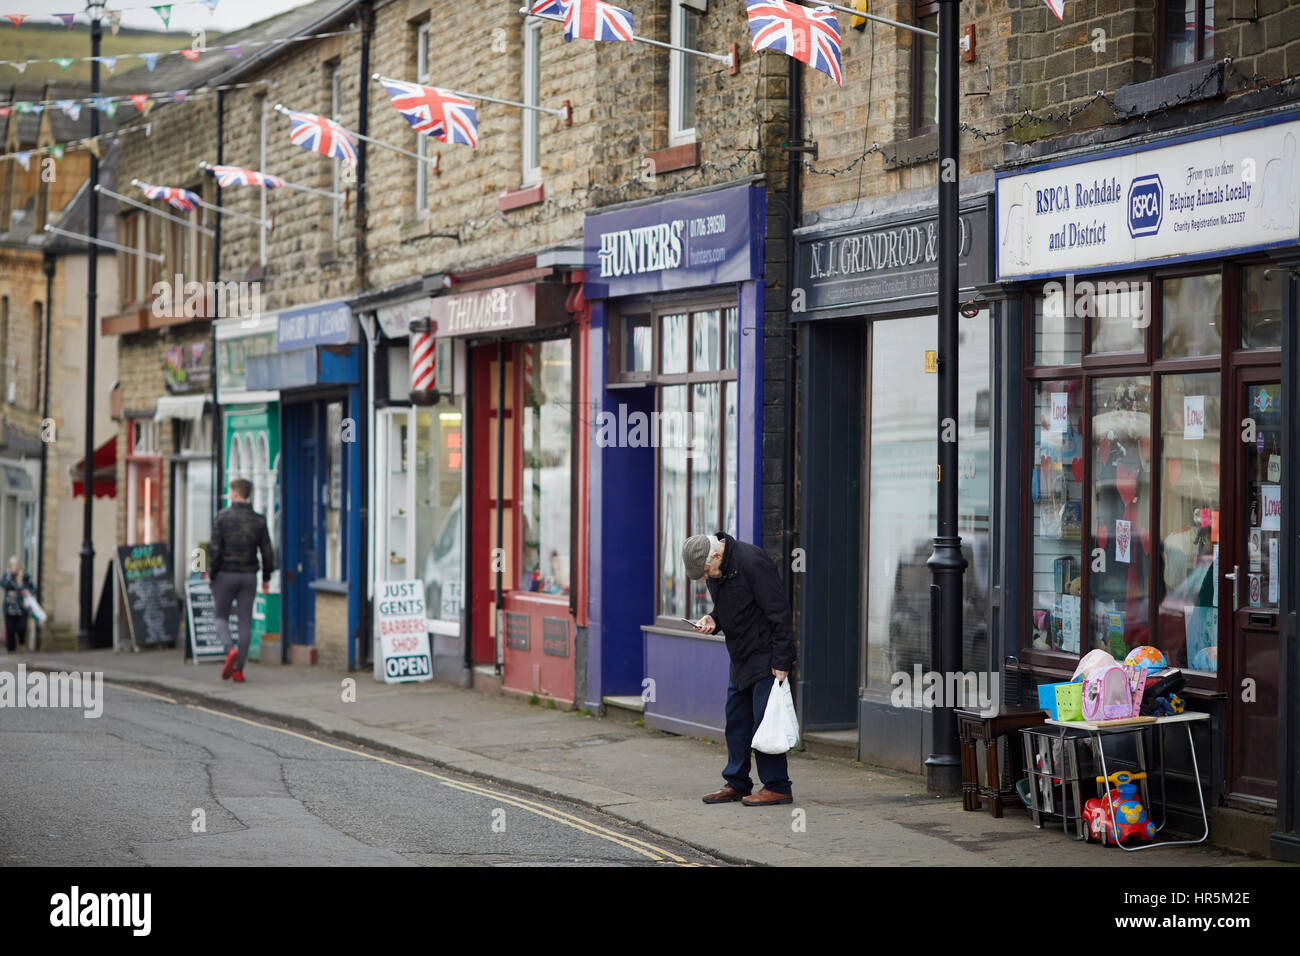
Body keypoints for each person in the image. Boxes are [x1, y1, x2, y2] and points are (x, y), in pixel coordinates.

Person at [682, 531, 797, 807]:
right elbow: (729, 607)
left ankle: (778, 786)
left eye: (707, 571)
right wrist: (713, 619)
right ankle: (737, 782)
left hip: (766, 656)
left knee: (764, 721)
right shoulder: (718, 569)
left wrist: (782, 661)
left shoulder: (752, 562)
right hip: (741, 656)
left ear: (718, 555)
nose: (707, 577)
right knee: (736, 722)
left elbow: (779, 612)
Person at [209, 478, 275, 682]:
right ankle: (238, 671)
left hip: (226, 574)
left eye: (231, 492)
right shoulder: (259, 520)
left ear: (236, 493)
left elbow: (214, 549)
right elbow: (267, 552)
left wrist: (211, 574)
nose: (230, 495)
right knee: (245, 622)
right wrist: (266, 578)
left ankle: (230, 650)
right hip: (248, 576)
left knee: (220, 617)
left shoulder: (222, 517)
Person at [1, 556, 36, 653]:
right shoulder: (7, 575)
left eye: (15, 565)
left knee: (22, 626)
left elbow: (33, 588)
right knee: (10, 629)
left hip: (22, 606)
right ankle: (11, 649)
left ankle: (21, 643)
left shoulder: (25, 576)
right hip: (9, 607)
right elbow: (4, 585)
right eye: (12, 565)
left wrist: (25, 588)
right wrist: (12, 576)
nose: (14, 567)